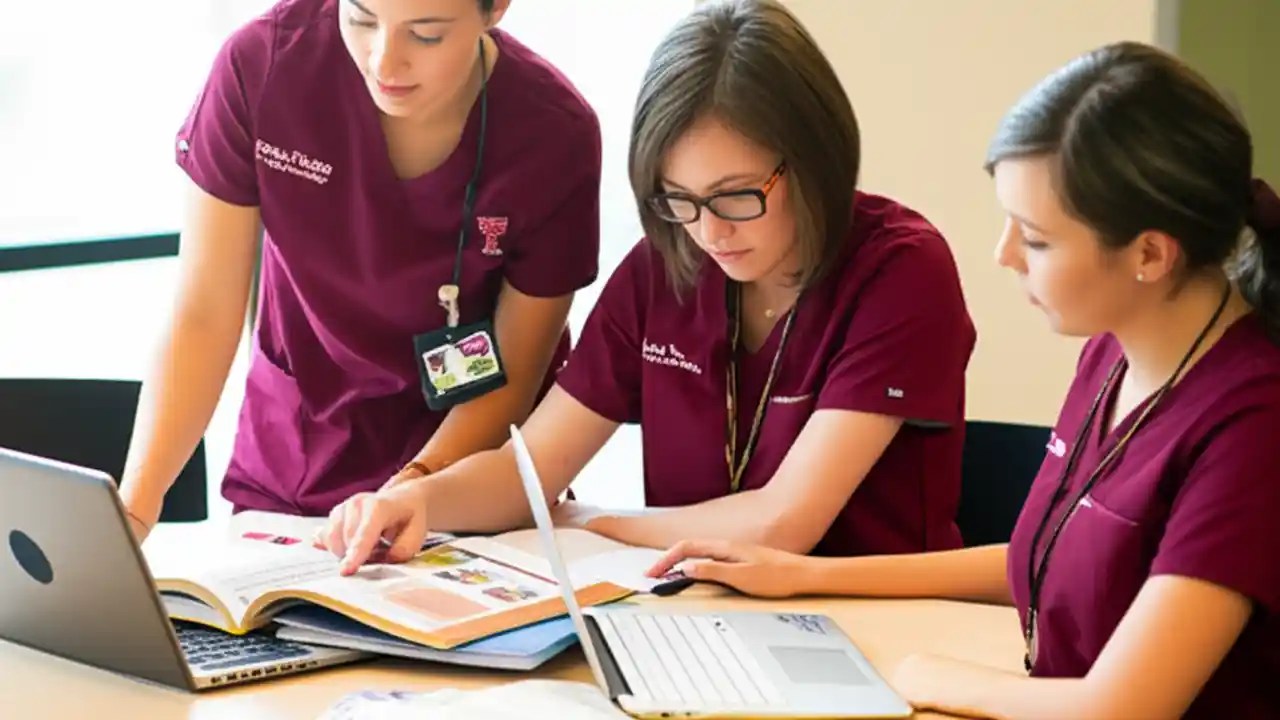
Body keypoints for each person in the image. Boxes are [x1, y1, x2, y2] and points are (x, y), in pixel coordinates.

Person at [647, 41, 1280, 719]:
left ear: (1150, 254)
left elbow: (1123, 708)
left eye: (1035, 238)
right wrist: (807, 575)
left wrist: (926, 677)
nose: (1003, 254)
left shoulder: (1253, 425)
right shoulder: (1113, 354)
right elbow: (1048, 553)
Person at [317, 0, 975, 572]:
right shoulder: (665, 266)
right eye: (678, 200)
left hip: (875, 625)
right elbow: (530, 472)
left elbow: (784, 525)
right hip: (697, 614)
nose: (709, 232)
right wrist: (418, 499)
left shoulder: (902, 271)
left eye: (736, 196)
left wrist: (588, 523)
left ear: (815, 160)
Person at [118, 0, 602, 542]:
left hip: (467, 494)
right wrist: (133, 509)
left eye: (426, 35)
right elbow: (203, 313)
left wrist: (408, 494)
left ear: (496, 10)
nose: (383, 62)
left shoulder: (554, 134)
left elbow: (513, 373)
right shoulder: (266, 65)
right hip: (292, 471)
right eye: (362, 19)